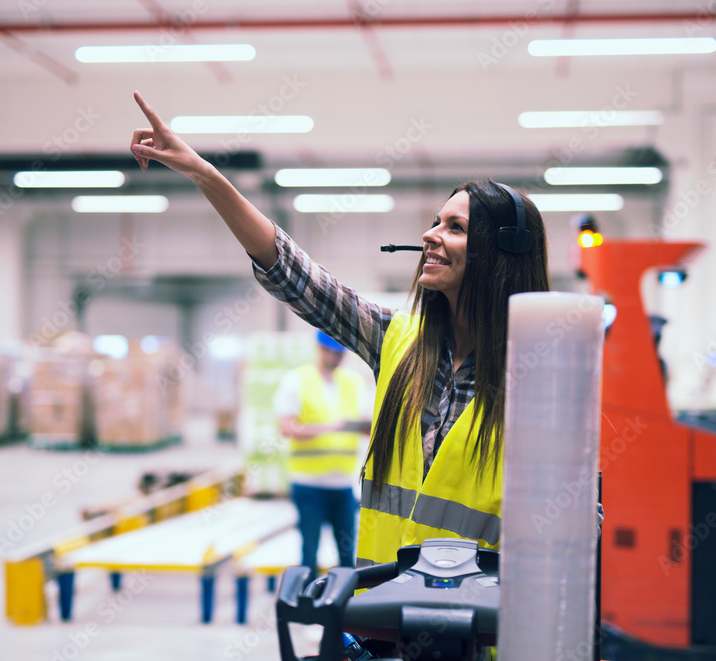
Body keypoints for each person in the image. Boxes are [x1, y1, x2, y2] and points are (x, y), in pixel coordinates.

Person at [129, 90, 551, 569]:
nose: (431, 234)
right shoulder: (399, 342)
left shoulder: (538, 375)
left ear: (500, 256)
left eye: (455, 227)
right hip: (385, 613)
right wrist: (204, 175)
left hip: (478, 628)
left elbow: (567, 524)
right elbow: (293, 273)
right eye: (435, 222)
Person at [273, 329, 371, 578]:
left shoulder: (352, 382)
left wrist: (368, 427)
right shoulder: (297, 381)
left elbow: (363, 424)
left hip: (342, 483)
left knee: (347, 555)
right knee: (310, 551)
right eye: (332, 351)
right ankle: (307, 604)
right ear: (319, 349)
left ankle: (347, 607)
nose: (336, 357)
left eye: (341, 353)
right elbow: (286, 427)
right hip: (308, 483)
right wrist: (330, 427)